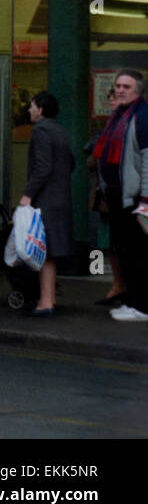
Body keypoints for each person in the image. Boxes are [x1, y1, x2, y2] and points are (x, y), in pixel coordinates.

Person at [91, 69, 148, 321]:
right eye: (118, 86)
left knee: (138, 254)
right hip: (119, 199)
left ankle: (141, 306)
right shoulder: (120, 115)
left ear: (138, 90)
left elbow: (147, 160)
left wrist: (145, 201)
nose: (121, 90)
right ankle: (132, 301)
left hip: (136, 200)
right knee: (126, 252)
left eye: (127, 86)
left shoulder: (142, 116)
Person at [19, 90, 74, 315]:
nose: (29, 110)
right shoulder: (60, 130)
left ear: (40, 110)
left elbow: (42, 167)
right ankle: (47, 299)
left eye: (32, 106)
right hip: (61, 196)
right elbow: (71, 162)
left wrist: (27, 195)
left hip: (46, 199)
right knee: (48, 253)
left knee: (42, 250)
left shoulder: (40, 130)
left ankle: (46, 302)